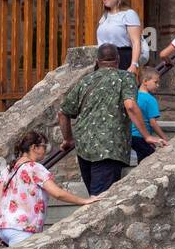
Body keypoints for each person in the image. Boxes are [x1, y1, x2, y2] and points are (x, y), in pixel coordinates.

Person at [59, 43, 164, 197]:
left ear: (97, 61)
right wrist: (147, 136)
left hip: (84, 147)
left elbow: (63, 113)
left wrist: (68, 139)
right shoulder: (125, 77)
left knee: (93, 197)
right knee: (100, 199)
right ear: (118, 59)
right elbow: (130, 106)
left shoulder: (85, 81)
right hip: (109, 146)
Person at [0, 130, 97, 246]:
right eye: (44, 146)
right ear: (34, 147)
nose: (45, 151)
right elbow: (57, 193)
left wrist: (2, 223)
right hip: (22, 228)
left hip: (4, 227)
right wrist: (84, 200)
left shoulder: (7, 169)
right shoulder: (34, 168)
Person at [130, 68, 168, 163]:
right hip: (141, 136)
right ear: (145, 81)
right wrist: (164, 137)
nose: (158, 85)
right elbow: (153, 123)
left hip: (130, 135)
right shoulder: (150, 100)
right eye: (156, 82)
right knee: (150, 160)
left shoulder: (132, 96)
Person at [96, 0, 144, 74]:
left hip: (122, 58)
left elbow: (136, 42)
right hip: (103, 60)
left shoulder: (128, 14)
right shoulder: (105, 16)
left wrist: (134, 65)